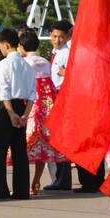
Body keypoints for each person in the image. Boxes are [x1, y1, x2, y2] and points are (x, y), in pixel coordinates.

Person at [0, 28, 34, 201]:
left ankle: (1, 190)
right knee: (19, 151)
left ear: (6, 45)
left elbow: (4, 91)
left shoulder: (3, 64)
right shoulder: (27, 65)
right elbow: (32, 93)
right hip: (22, 106)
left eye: (0, 46)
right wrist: (24, 115)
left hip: (6, 108)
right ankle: (21, 190)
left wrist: (11, 115)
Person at [20, 29, 63, 196]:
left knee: (24, 144)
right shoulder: (45, 62)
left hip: (30, 107)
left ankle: (25, 182)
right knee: (42, 146)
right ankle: (36, 180)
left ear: (22, 47)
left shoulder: (25, 64)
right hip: (46, 107)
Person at [44, 21, 74, 191]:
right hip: (55, 97)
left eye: (61, 37)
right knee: (56, 140)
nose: (57, 40)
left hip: (61, 97)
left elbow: (72, 76)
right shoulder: (56, 53)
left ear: (67, 37)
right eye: (54, 36)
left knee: (60, 140)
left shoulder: (66, 54)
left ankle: (62, 179)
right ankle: (59, 178)